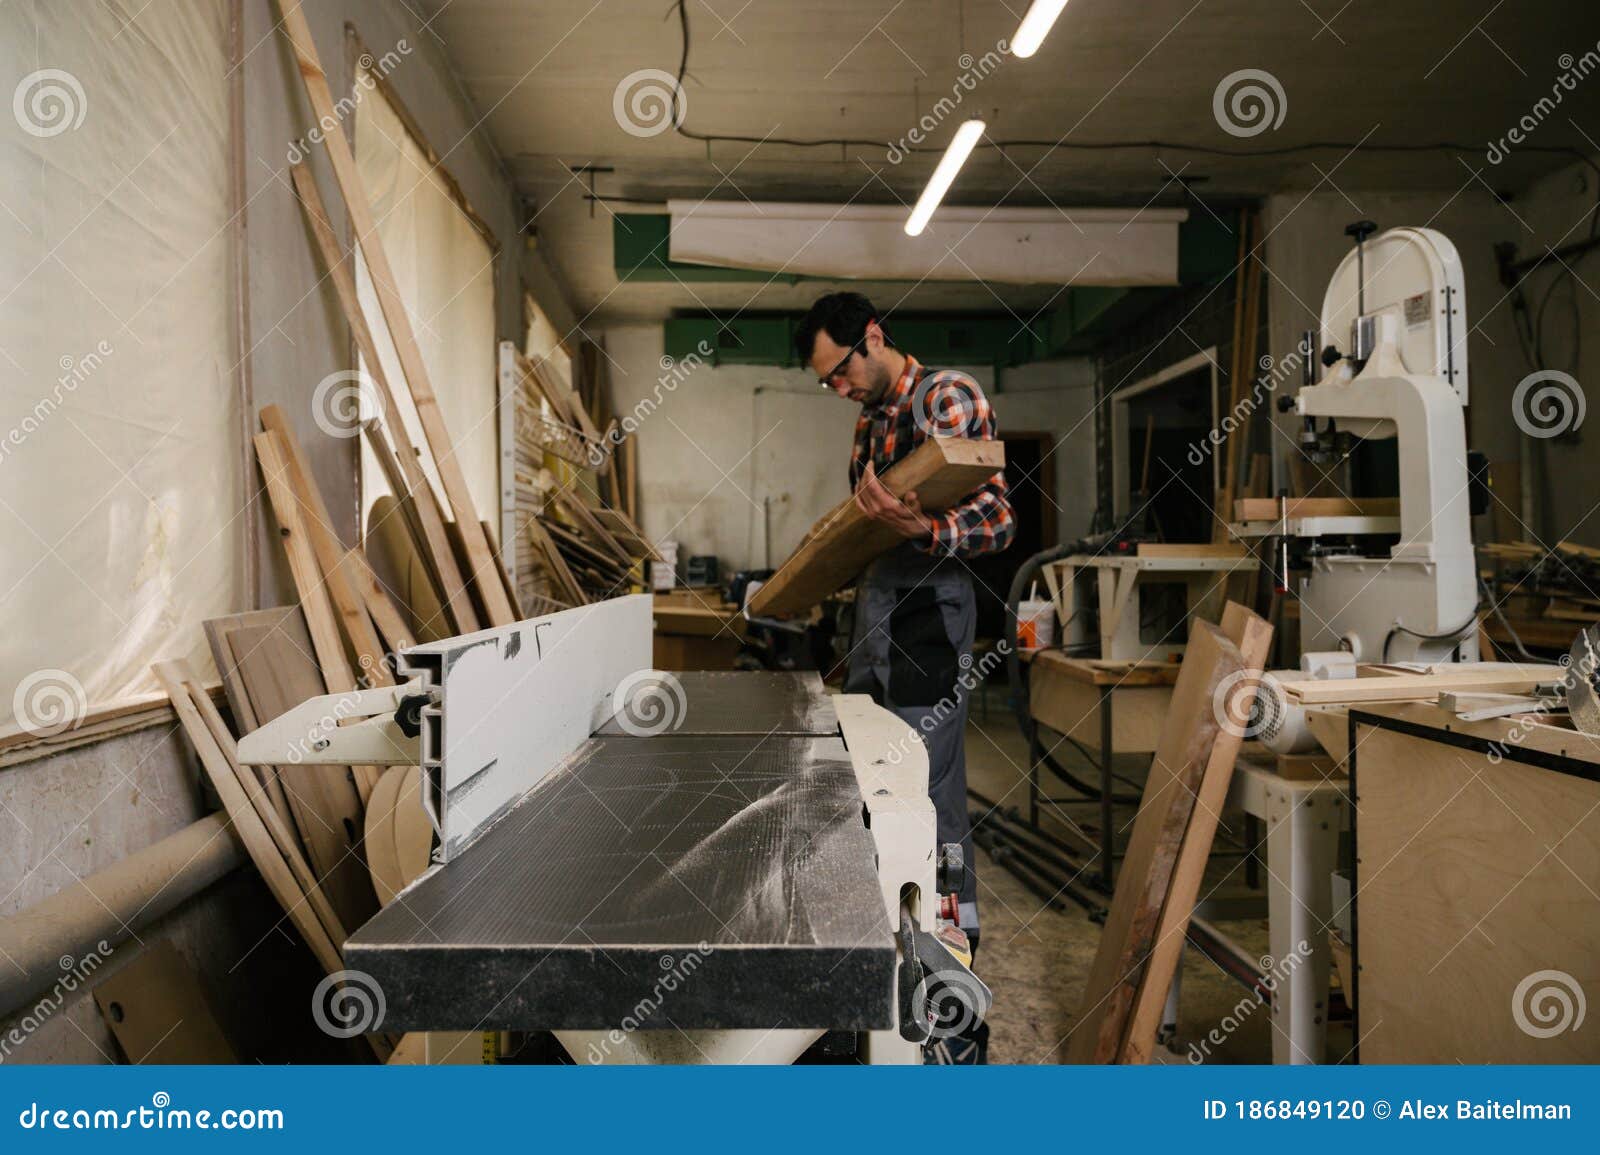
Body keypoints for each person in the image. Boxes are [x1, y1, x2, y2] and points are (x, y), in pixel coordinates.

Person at [794, 290, 1014, 969]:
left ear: (873, 336)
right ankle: (883, 931)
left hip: (927, 614)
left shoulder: (946, 397)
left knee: (928, 787)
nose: (838, 389)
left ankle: (952, 945)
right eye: (826, 380)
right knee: (870, 777)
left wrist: (930, 529)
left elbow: (1000, 520)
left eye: (841, 371)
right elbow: (868, 526)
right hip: (876, 615)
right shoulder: (869, 420)